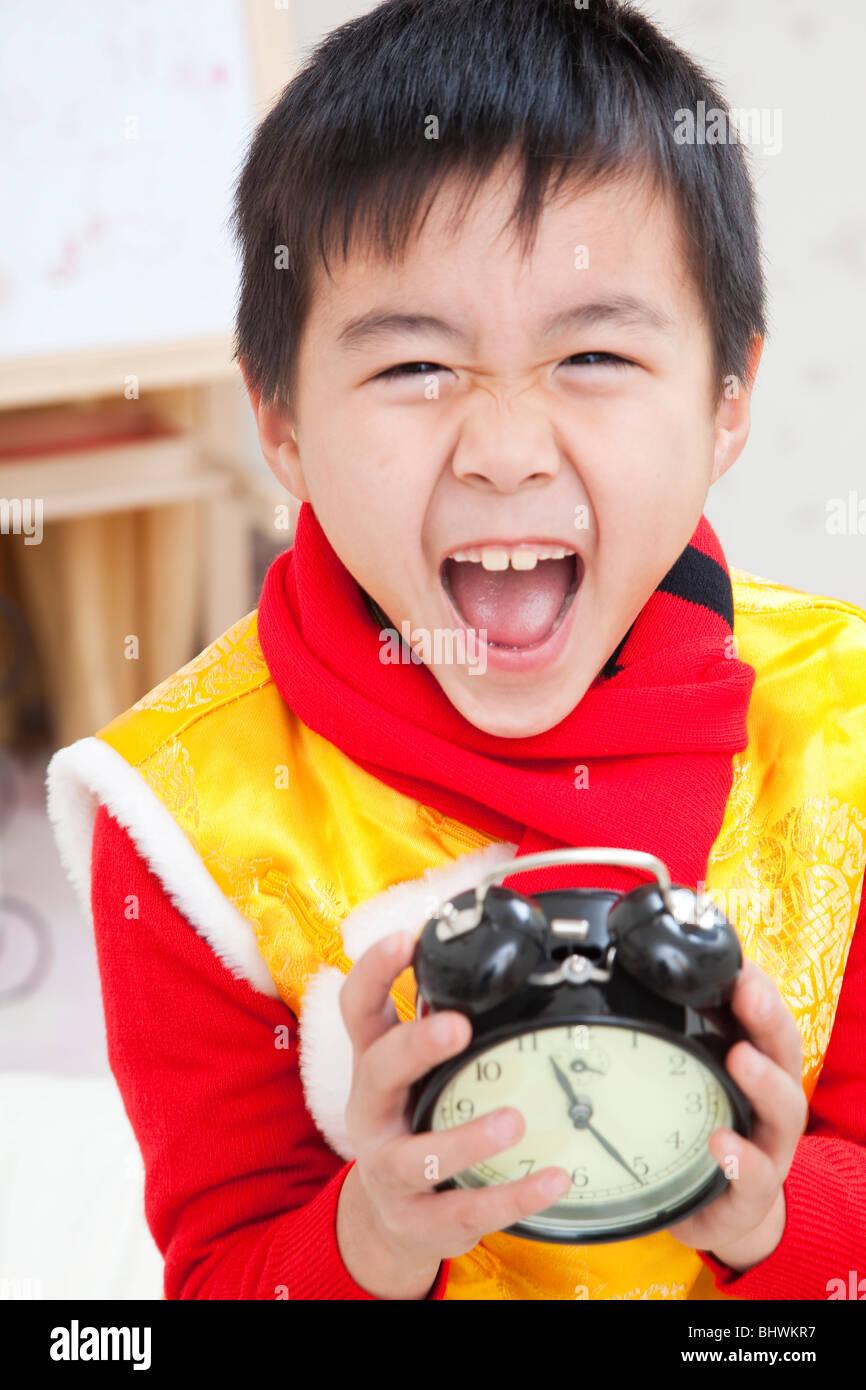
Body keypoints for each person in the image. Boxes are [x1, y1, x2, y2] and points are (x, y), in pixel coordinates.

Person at [46, 0, 866, 1300]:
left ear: (727, 404)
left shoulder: (841, 729)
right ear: (281, 425)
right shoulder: (191, 825)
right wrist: (364, 1239)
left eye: (592, 352)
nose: (502, 446)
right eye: (415, 366)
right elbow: (220, 1271)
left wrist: (781, 1224)